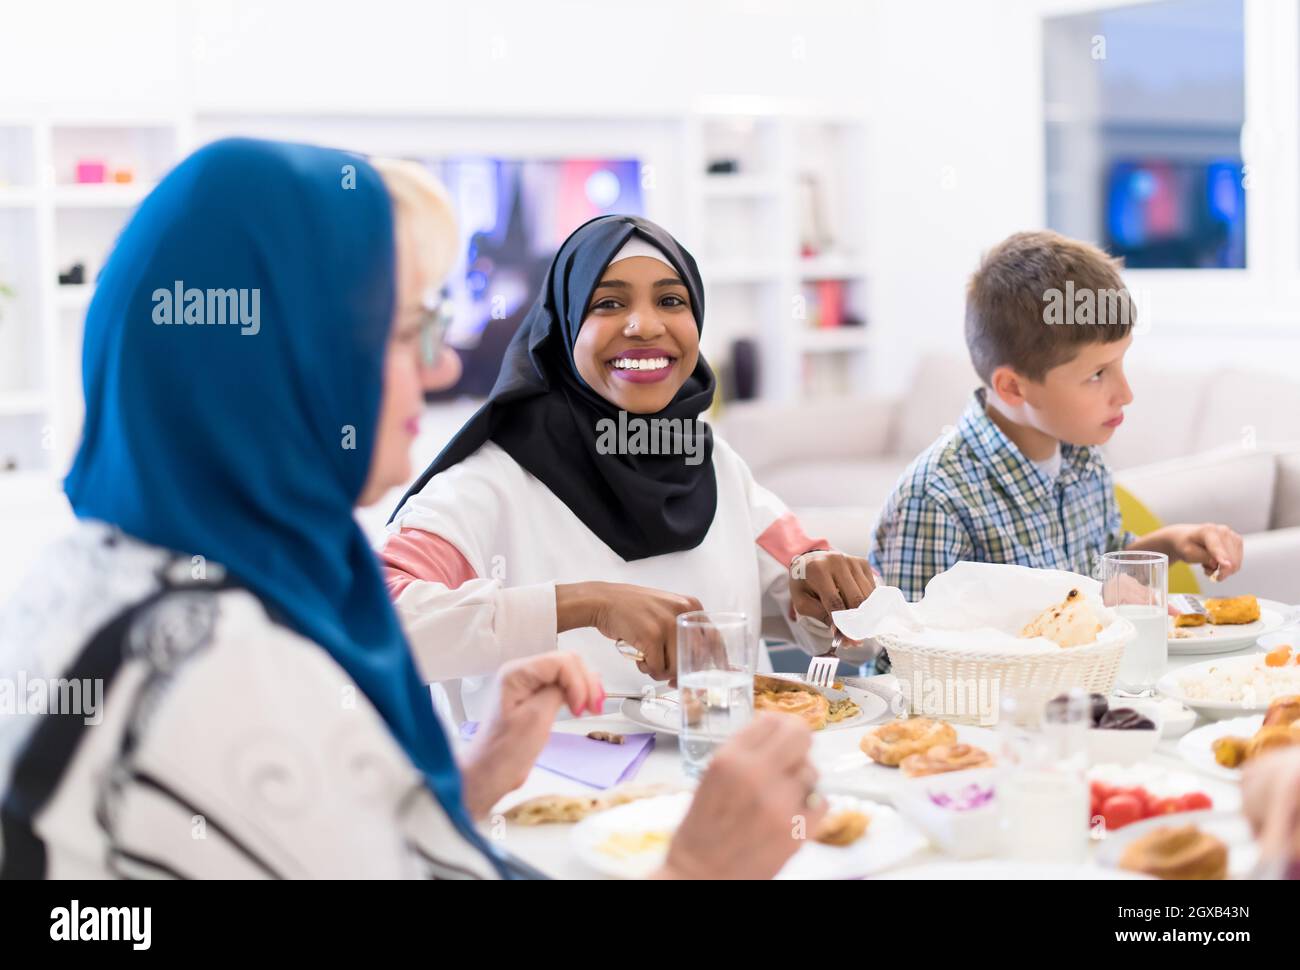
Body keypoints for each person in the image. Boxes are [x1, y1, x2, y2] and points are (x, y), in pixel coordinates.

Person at [0, 140, 823, 879]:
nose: (434, 375)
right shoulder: (222, 664)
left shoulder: (156, 574)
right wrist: (700, 870)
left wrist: (461, 793)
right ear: (279, 359)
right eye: (401, 335)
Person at [381, 215, 877, 721]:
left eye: (670, 301)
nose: (645, 325)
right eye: (609, 303)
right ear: (566, 326)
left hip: (723, 776)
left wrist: (821, 587)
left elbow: (806, 604)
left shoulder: (714, 465)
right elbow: (371, 622)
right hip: (554, 791)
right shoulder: (492, 479)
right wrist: (586, 604)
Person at [870, 230, 1243, 601]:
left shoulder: (1082, 457)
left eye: (1120, 363)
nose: (1126, 394)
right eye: (1097, 374)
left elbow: (1102, 569)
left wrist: (1173, 544)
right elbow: (909, 647)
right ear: (1014, 388)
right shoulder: (936, 497)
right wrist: (1093, 598)